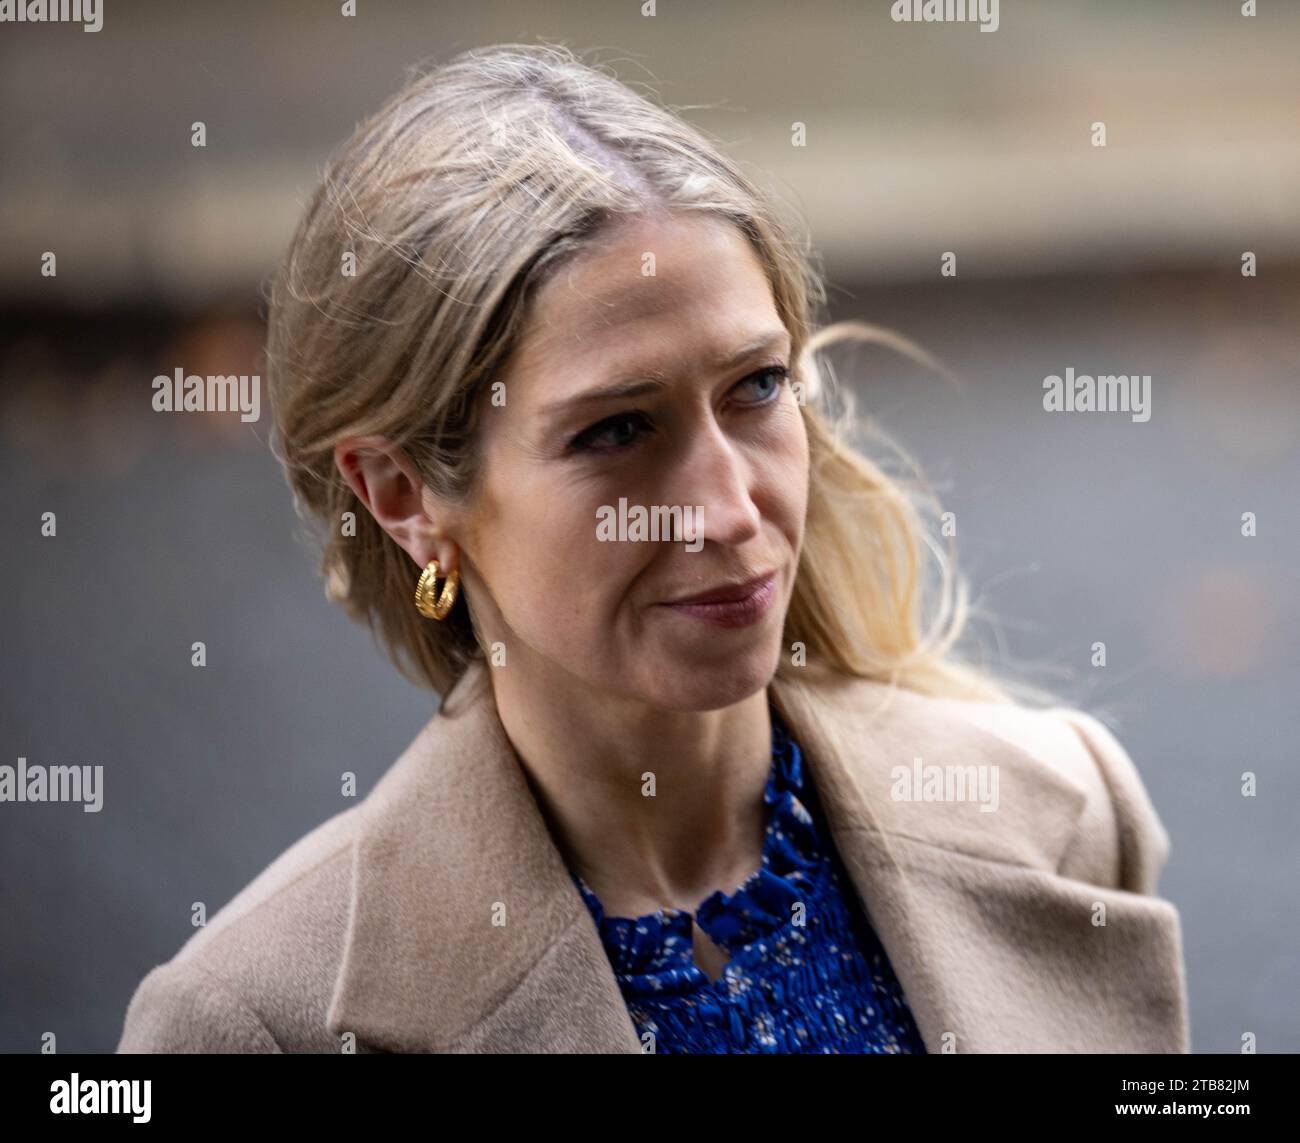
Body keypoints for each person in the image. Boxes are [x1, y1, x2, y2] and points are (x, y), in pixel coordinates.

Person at [117, 42, 1189, 1054]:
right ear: (403, 494)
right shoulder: (259, 1023)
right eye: (618, 431)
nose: (727, 510)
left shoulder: (1061, 812)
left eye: (756, 388)